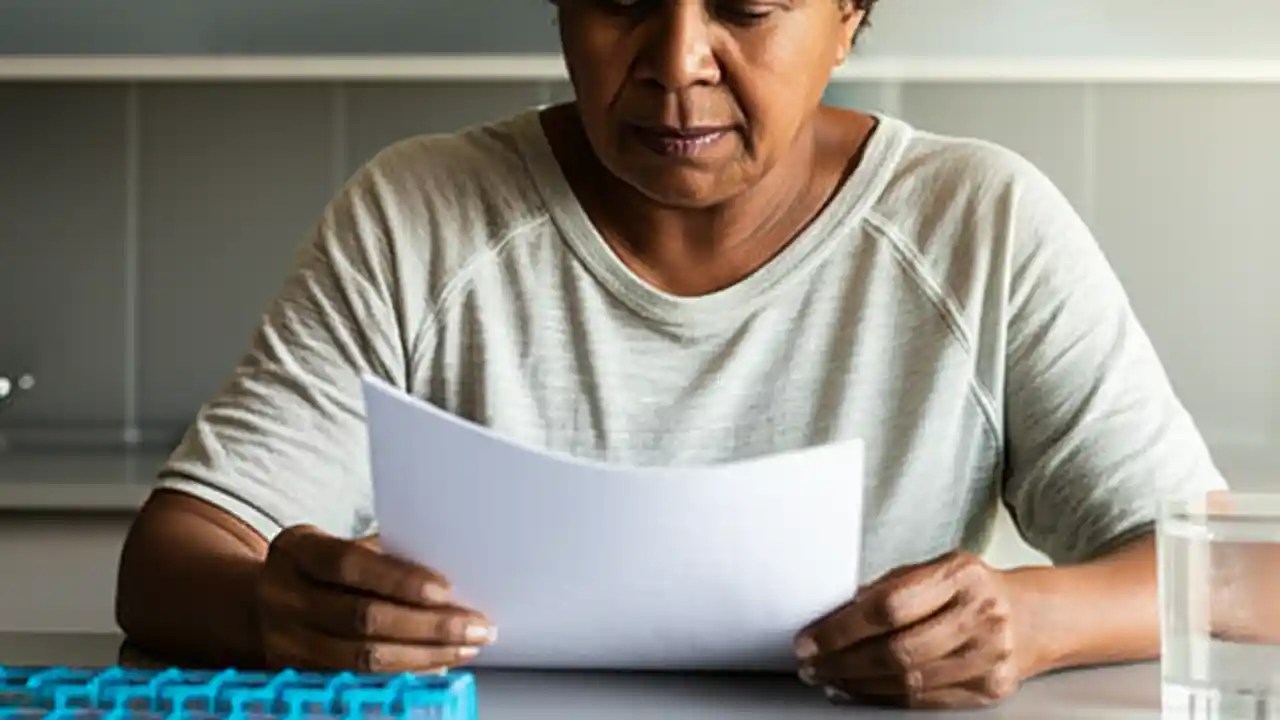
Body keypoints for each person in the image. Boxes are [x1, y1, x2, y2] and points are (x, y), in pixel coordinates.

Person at [115, 0, 1225, 711]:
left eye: (744, 7)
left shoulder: (978, 226)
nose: (674, 61)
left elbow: (1246, 579)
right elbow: (171, 558)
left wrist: (1035, 619)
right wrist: (273, 608)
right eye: (617, 0)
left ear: (847, 17)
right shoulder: (421, 214)